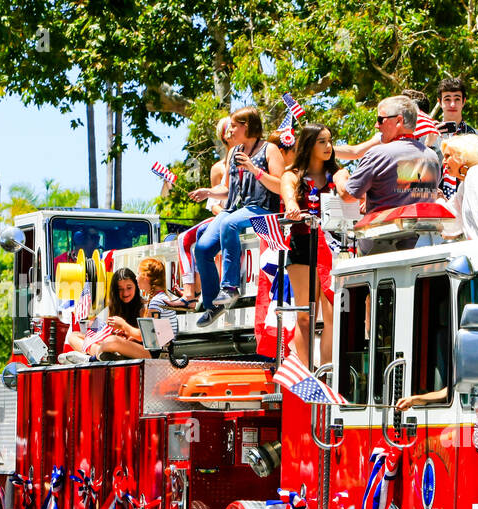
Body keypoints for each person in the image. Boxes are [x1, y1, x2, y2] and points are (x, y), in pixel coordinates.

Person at [189, 106, 285, 311]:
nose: (229, 131)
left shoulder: (270, 149)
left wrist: (254, 170)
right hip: (234, 209)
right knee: (203, 247)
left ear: (246, 126)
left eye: (233, 126)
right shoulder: (234, 152)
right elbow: (229, 189)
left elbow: (280, 186)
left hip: (262, 208)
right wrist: (209, 192)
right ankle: (211, 305)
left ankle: (230, 286)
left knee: (230, 223)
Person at [280, 124, 350, 367]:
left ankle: (327, 373)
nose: (328, 147)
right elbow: (288, 195)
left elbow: (348, 191)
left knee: (332, 315)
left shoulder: (339, 172)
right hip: (302, 243)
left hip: (333, 247)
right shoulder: (292, 175)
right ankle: (305, 371)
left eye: (330, 141)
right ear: (309, 145)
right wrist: (291, 206)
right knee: (305, 317)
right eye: (322, 141)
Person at [340, 96, 442, 252]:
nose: (376, 125)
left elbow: (348, 195)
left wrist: (340, 177)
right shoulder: (432, 157)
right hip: (424, 246)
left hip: (382, 247)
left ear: (398, 121)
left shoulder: (378, 154)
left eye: (380, 120)